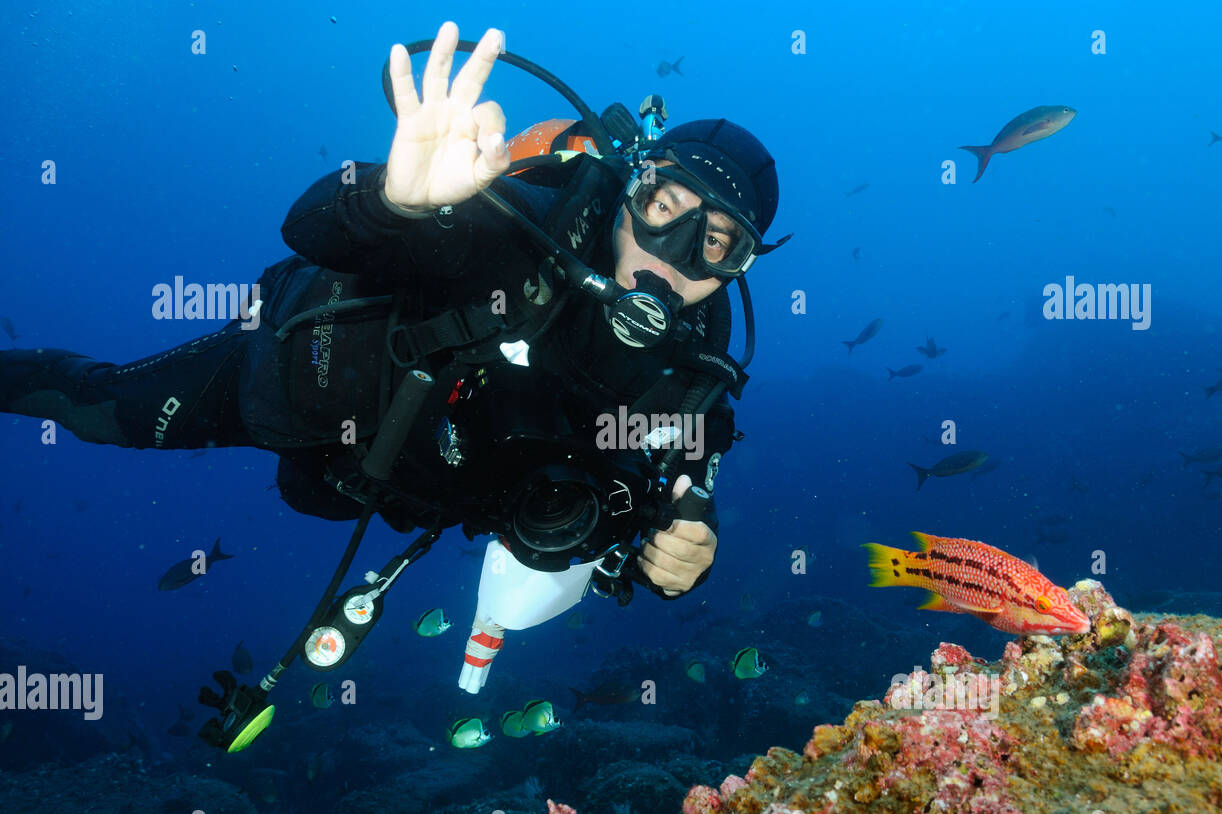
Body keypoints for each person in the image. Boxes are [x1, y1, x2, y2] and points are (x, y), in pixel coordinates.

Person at [0, 22, 784, 695]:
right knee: (98, 410)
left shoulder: (693, 378)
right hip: (294, 382)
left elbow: (684, 502)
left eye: (716, 242)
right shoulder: (527, 229)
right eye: (663, 208)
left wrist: (679, 561)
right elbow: (309, 228)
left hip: (386, 481)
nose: (671, 257)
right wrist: (396, 202)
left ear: (740, 268)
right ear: (628, 190)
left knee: (314, 494)